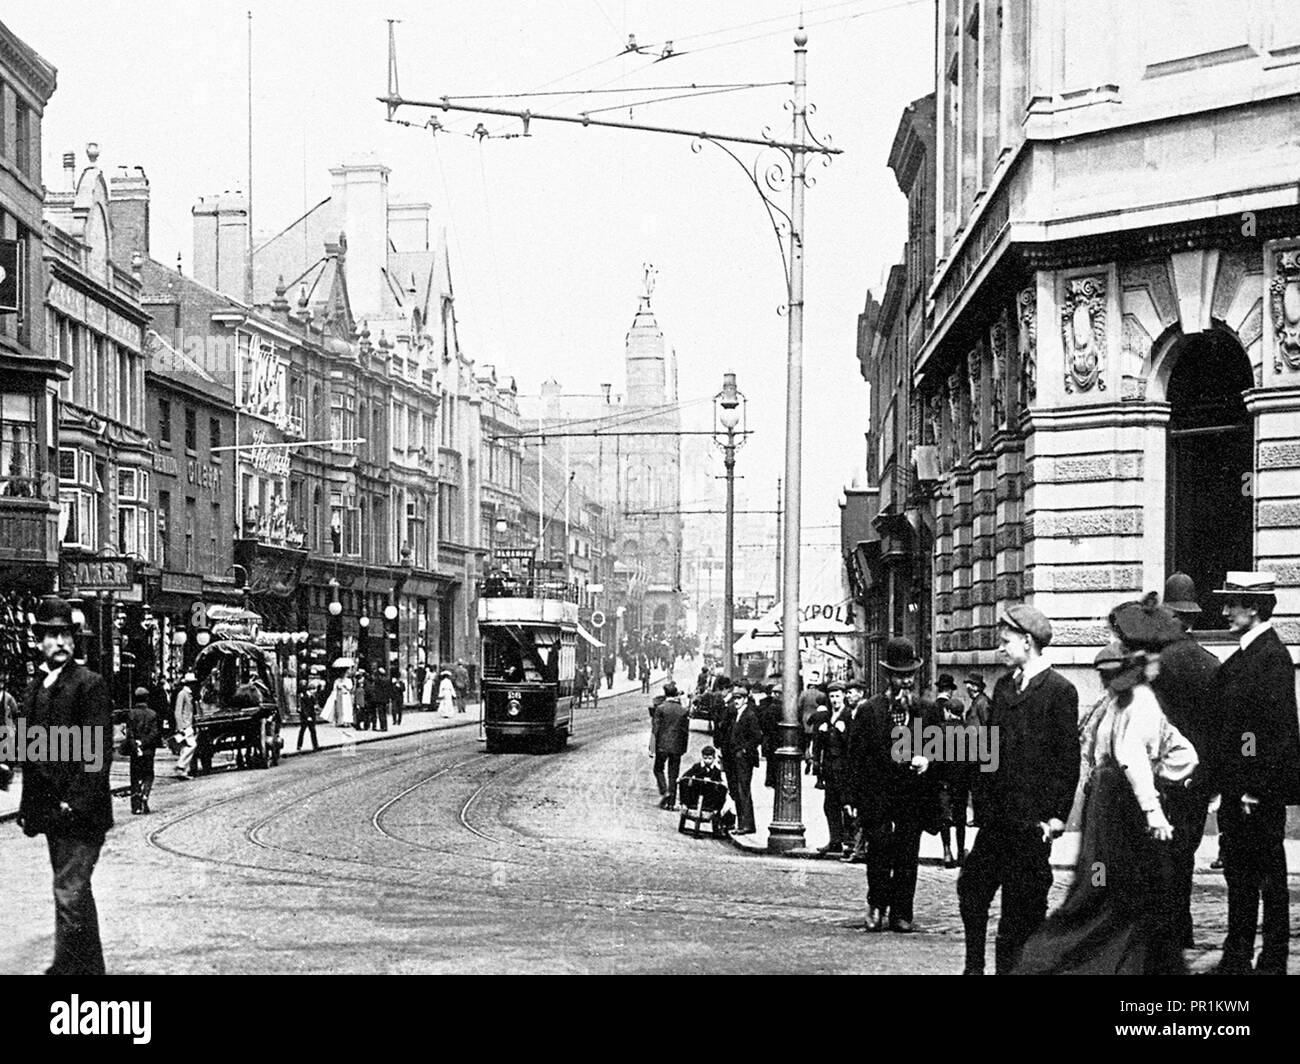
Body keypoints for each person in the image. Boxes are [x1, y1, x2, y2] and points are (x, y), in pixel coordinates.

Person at [1017, 598, 1196, 975]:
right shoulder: (1138, 699)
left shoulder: (1116, 699)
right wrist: (1155, 810)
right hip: (1125, 810)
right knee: (1119, 892)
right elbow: (1134, 755)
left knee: (1109, 887)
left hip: (1108, 805)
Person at [958, 604, 1080, 975]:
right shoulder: (1004, 687)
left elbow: (1067, 760)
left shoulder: (1060, 690)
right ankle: (974, 966)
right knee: (971, 889)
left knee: (1021, 912)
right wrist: (982, 799)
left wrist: (1057, 816)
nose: (1001, 647)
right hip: (997, 820)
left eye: (1006, 641)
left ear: (1027, 642)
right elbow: (991, 750)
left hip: (1031, 824)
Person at [1207, 572, 1300, 976]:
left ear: (1256, 608)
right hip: (1238, 792)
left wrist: (1254, 788)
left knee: (1269, 879)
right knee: (1240, 878)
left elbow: (1275, 732)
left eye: (1234, 604)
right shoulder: (1248, 654)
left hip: (1255, 796)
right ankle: (1237, 957)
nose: (1226, 611)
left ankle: (1273, 959)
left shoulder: (1271, 657)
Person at [15, 596, 113, 975]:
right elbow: (28, 746)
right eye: (51, 635)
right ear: (38, 641)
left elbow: (97, 753)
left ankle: (70, 972)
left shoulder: (90, 685)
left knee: (68, 891)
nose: (60, 643)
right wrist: (28, 806)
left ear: (75, 640)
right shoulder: (35, 686)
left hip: (81, 813)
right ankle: (85, 968)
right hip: (51, 812)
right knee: (72, 892)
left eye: (66, 635)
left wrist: (75, 802)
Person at [1150, 573, 1221, 949]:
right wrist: (1211, 782)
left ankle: (1162, 932)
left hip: (1160, 778)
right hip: (1196, 781)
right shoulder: (1212, 664)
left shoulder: (1154, 665)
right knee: (1184, 858)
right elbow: (1219, 732)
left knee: (1157, 855)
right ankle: (1182, 929)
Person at [852, 638, 941, 933]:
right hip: (878, 793)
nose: (904, 681)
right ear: (888, 676)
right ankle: (876, 905)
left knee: (906, 853)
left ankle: (902, 911)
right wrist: (854, 799)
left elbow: (941, 750)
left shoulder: (928, 711)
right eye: (899, 675)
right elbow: (857, 757)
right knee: (878, 850)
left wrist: (927, 760)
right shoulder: (869, 711)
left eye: (909, 676)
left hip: (911, 794)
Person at [933, 673, 970, 868]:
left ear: (948, 712)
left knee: (944, 818)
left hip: (943, 783)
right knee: (961, 819)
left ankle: (946, 852)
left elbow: (935, 759)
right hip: (962, 783)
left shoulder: (939, 730)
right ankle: (961, 853)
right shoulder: (969, 731)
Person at [717, 683, 761, 835]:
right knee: (736, 790)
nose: (736, 701)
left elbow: (757, 737)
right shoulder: (736, 714)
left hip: (744, 759)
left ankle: (747, 825)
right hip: (734, 758)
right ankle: (742, 823)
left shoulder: (749, 715)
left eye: (739, 698)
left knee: (743, 790)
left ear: (745, 699)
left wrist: (744, 750)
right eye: (735, 698)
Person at [810, 681, 849, 855]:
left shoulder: (848, 716)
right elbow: (817, 742)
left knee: (846, 804)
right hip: (830, 768)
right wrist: (816, 762)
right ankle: (835, 840)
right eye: (832, 696)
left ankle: (850, 843)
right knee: (830, 805)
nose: (834, 700)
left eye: (837, 696)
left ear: (844, 697)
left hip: (844, 768)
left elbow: (854, 743)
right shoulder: (826, 717)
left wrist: (842, 732)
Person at [841, 677, 871, 864]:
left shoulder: (865, 711)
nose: (847, 696)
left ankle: (860, 850)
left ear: (860, 693)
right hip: (855, 767)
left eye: (850, 692)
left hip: (864, 769)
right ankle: (858, 848)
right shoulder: (852, 712)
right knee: (856, 811)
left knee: (861, 811)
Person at [650, 682, 690, 809]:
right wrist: (683, 748)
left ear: (665, 694)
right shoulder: (683, 711)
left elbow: (655, 729)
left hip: (662, 745)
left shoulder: (660, 709)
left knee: (658, 769)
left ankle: (664, 790)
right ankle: (671, 803)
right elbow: (685, 732)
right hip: (677, 746)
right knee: (674, 774)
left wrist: (652, 747)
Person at [124, 686, 160, 815]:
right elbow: (154, 733)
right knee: (149, 774)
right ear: (147, 698)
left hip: (135, 751)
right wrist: (144, 743)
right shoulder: (152, 714)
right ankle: (145, 794)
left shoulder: (131, 713)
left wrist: (136, 745)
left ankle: (136, 806)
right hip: (148, 750)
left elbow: (130, 733)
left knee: (135, 777)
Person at [172, 671, 198, 779]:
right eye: (192, 683)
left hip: (188, 725)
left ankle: (183, 772)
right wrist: (180, 726)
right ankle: (180, 766)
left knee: (185, 747)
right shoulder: (182, 694)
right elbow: (178, 712)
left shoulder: (189, 694)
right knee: (192, 745)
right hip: (185, 726)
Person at [297, 680, 321, 752]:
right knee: (302, 731)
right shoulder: (303, 697)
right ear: (310, 690)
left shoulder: (312, 697)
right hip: (305, 717)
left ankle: (315, 746)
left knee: (313, 731)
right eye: (314, 690)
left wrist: (316, 708)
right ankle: (299, 745)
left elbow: (313, 705)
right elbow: (304, 708)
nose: (314, 691)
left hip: (311, 716)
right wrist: (307, 717)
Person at [371, 667, 389, 732]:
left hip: (379, 699)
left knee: (381, 713)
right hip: (384, 699)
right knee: (384, 713)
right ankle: (385, 726)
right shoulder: (386, 680)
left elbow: (374, 680)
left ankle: (382, 727)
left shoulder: (379, 680)